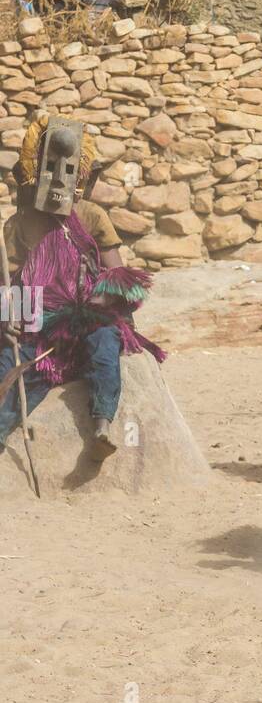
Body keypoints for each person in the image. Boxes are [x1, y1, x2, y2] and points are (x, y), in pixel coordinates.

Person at [0, 116, 165, 460]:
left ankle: (102, 423)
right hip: (39, 320)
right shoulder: (20, 223)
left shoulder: (91, 216)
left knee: (104, 347)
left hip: (88, 315)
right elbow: (9, 280)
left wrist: (98, 304)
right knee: (9, 369)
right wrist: (10, 319)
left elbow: (119, 274)